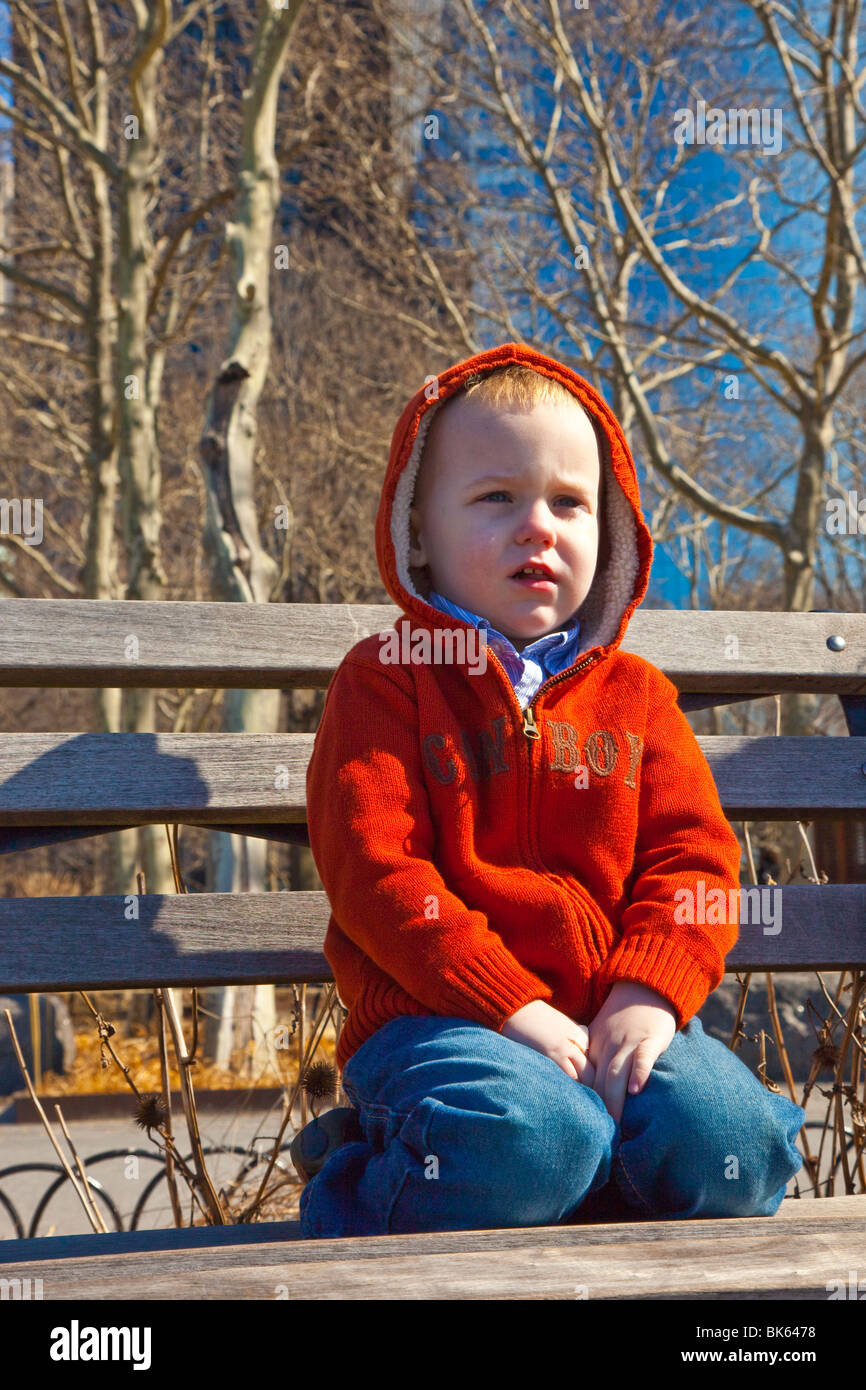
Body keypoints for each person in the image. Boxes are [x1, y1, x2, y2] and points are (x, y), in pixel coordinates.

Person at [294, 341, 805, 1238]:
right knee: (529, 1139)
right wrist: (512, 1004)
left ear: (607, 529)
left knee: (733, 1142)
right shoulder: (389, 680)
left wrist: (647, 992)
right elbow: (377, 870)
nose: (540, 526)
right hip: (439, 1024)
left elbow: (697, 861)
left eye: (570, 502)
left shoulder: (637, 698)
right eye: (497, 497)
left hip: (611, 1016)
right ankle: (366, 1171)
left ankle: (583, 1171)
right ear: (418, 528)